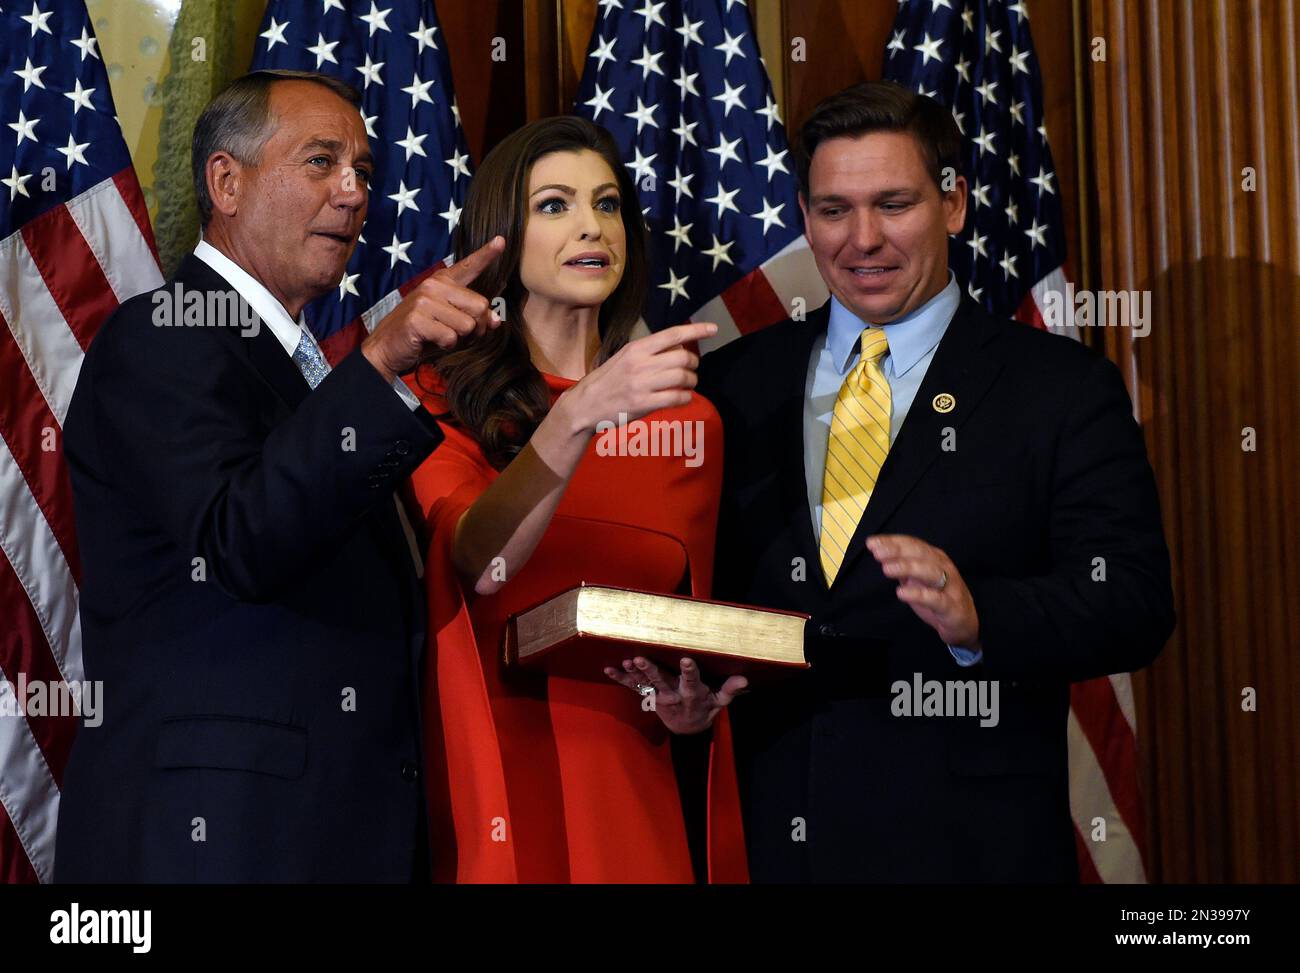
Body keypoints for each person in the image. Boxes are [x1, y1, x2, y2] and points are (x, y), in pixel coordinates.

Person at [695, 81, 1176, 882]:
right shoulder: (732, 384)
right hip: (767, 839)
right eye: (833, 210)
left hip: (967, 850)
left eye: (893, 204)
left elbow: (1133, 605)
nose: (863, 239)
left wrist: (978, 613)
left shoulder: (1058, 388)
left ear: (952, 206)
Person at [55, 70, 504, 882]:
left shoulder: (304, 373)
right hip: (213, 845)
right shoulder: (165, 333)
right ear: (226, 182)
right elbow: (242, 539)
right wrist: (378, 362)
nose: (352, 192)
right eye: (321, 161)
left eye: (364, 171)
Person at [406, 116, 749, 883]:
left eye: (607, 203)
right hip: (495, 794)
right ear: (501, 236)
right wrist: (580, 414)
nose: (591, 225)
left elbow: (690, 638)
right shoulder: (436, 395)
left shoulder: (690, 423)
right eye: (554, 205)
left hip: (641, 808)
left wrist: (688, 713)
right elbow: (480, 559)